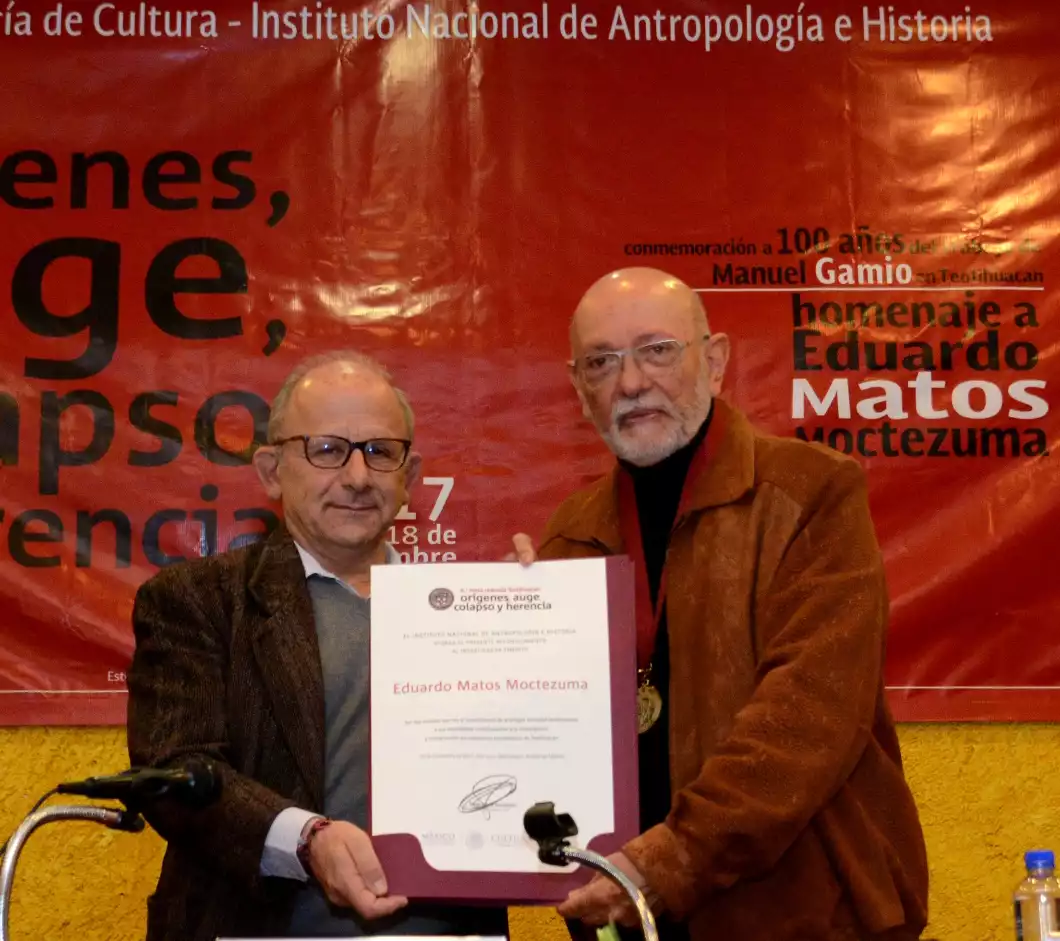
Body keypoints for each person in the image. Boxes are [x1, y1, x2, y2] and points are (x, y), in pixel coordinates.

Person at [510, 268, 930, 941]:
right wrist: (508, 628)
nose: (631, 382)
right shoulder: (570, 535)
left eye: (657, 350)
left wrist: (664, 860)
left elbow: (807, 716)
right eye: (602, 361)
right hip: (631, 913)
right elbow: (546, 734)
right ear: (577, 387)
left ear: (717, 360)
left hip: (799, 913)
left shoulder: (811, 492)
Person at [126, 351, 508, 941]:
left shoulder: (470, 611)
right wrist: (305, 840)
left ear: (411, 473)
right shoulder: (197, 600)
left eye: (380, 451)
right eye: (327, 449)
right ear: (271, 469)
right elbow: (176, 774)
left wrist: (543, 611)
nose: (357, 477)